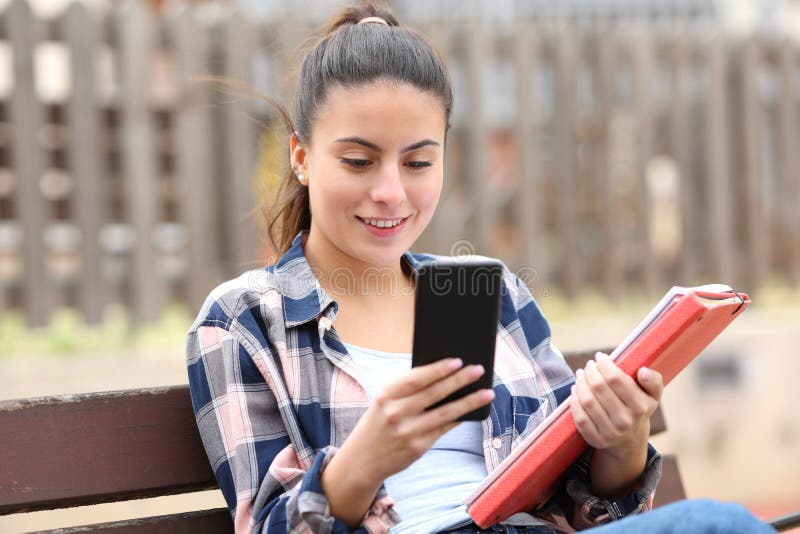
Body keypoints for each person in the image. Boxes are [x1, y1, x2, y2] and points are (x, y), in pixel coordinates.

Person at [186, 4, 774, 533]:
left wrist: (621, 441)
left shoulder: (479, 293)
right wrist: (364, 460)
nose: (392, 191)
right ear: (302, 158)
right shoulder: (246, 319)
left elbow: (586, 509)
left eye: (418, 162)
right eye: (359, 160)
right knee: (716, 525)